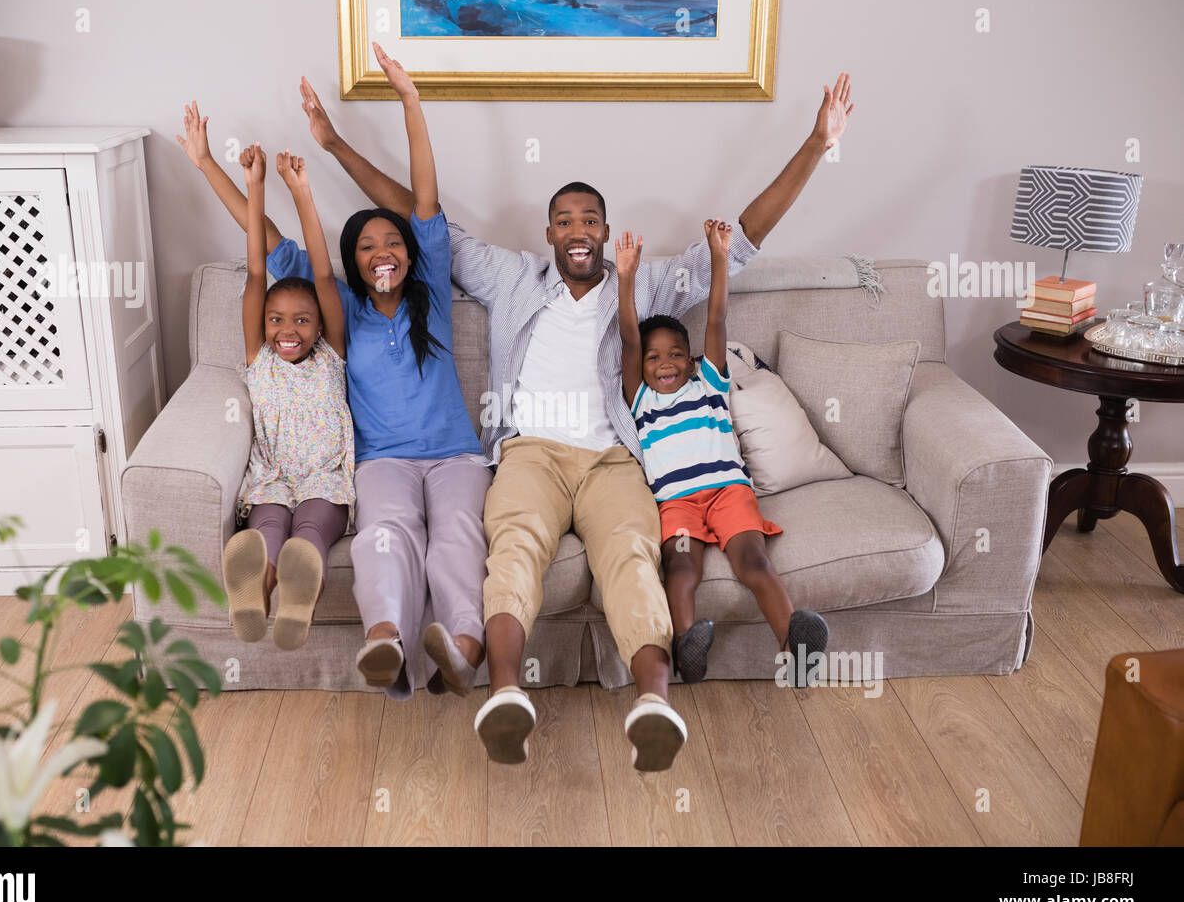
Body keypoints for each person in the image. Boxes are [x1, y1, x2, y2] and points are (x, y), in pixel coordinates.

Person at [298, 65, 854, 769]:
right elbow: (418, 213)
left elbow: (740, 243)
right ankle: (506, 696)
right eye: (564, 221)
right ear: (550, 234)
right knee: (516, 550)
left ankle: (652, 702)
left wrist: (815, 142)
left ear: (607, 230)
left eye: (590, 219)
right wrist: (334, 144)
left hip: (613, 459)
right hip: (528, 452)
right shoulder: (509, 276)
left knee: (629, 556)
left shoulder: (643, 279)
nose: (578, 231)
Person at [178, 43, 491, 698]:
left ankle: (461, 648)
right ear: (352, 262)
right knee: (384, 534)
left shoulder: (430, 288)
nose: (383, 253)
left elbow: (424, 195)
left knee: (457, 535)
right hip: (378, 463)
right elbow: (262, 236)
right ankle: (386, 642)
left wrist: (410, 100)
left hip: (458, 456)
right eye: (368, 246)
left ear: (412, 254)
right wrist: (208, 165)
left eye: (393, 242)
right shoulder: (335, 312)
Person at [616, 222, 829, 684]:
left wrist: (720, 257)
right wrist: (626, 278)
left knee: (753, 563)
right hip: (677, 504)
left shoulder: (708, 384)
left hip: (729, 492)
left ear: (692, 361)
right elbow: (630, 339)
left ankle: (794, 648)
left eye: (675, 354)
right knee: (682, 567)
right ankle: (687, 649)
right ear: (641, 369)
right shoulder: (641, 400)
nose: (665, 363)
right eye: (654, 359)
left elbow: (716, 320)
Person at [219, 142, 354, 652]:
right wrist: (255, 189)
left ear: (320, 323)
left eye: (302, 319)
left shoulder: (331, 354)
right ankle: (256, 589)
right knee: (267, 527)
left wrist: (302, 194)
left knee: (313, 529)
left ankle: (298, 585)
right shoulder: (260, 360)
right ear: (264, 325)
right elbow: (257, 274)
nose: (288, 330)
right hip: (272, 476)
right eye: (276, 320)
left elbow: (322, 274)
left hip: (325, 476)